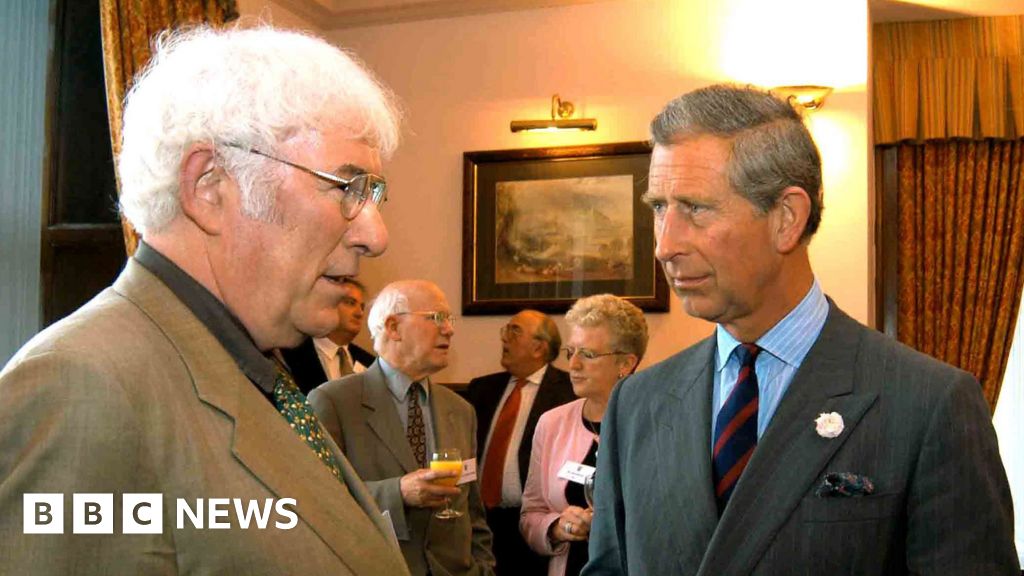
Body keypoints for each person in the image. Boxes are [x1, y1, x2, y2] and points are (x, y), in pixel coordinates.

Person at [0, 26, 411, 575]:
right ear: (209, 185)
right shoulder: (82, 388)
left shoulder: (247, 359)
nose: (375, 235)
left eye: (372, 194)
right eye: (346, 187)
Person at [583, 84, 1020, 576]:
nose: (665, 245)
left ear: (787, 219)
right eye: (659, 207)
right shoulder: (637, 403)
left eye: (696, 209)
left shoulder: (927, 404)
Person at [309, 280, 496, 576]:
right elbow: (317, 501)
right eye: (436, 318)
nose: (449, 329)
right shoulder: (333, 402)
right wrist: (397, 493)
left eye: (449, 320)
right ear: (393, 327)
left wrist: (484, 568)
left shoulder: (461, 411)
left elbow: (472, 511)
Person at [520, 295, 647, 576]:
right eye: (570, 352)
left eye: (587, 354)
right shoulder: (552, 423)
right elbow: (531, 516)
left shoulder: (658, 424)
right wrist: (558, 527)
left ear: (626, 363)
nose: (573, 365)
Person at [464, 309, 576, 575]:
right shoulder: (481, 389)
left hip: (533, 523)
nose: (504, 338)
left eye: (515, 331)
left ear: (539, 347)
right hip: (479, 522)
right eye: (506, 329)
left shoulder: (569, 391)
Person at [282, 277, 376, 394]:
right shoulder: (290, 353)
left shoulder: (371, 364)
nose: (360, 313)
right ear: (327, 305)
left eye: (362, 307)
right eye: (350, 303)